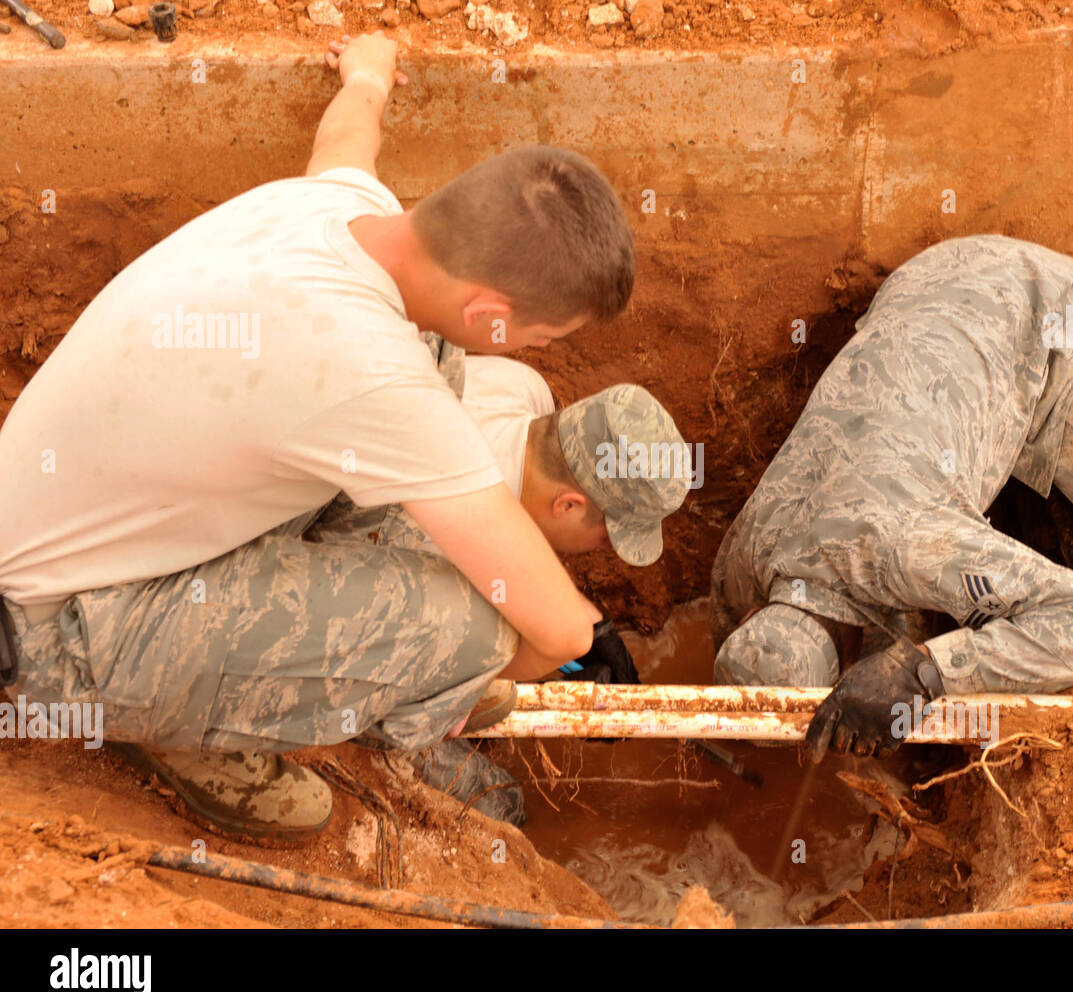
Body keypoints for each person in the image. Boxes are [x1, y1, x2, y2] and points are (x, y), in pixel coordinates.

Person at [0, 33, 636, 841]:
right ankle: (182, 726)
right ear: (491, 313)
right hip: (60, 640)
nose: (538, 353)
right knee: (474, 627)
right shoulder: (364, 367)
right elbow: (548, 631)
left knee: (431, 353)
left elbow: (347, 136)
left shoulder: (343, 208)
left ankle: (318, 665)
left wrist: (367, 73)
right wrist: (580, 636)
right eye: (540, 338)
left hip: (87, 546)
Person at [710, 235, 1073, 761]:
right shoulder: (746, 556)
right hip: (925, 287)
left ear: (850, 663)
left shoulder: (907, 547)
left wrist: (923, 674)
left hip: (1041, 318)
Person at [308, 355, 692, 822]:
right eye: (608, 534)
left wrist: (579, 618)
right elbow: (419, 692)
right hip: (320, 617)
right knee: (498, 803)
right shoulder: (436, 542)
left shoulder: (522, 388)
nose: (604, 549)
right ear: (569, 505)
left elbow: (514, 545)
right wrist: (521, 670)